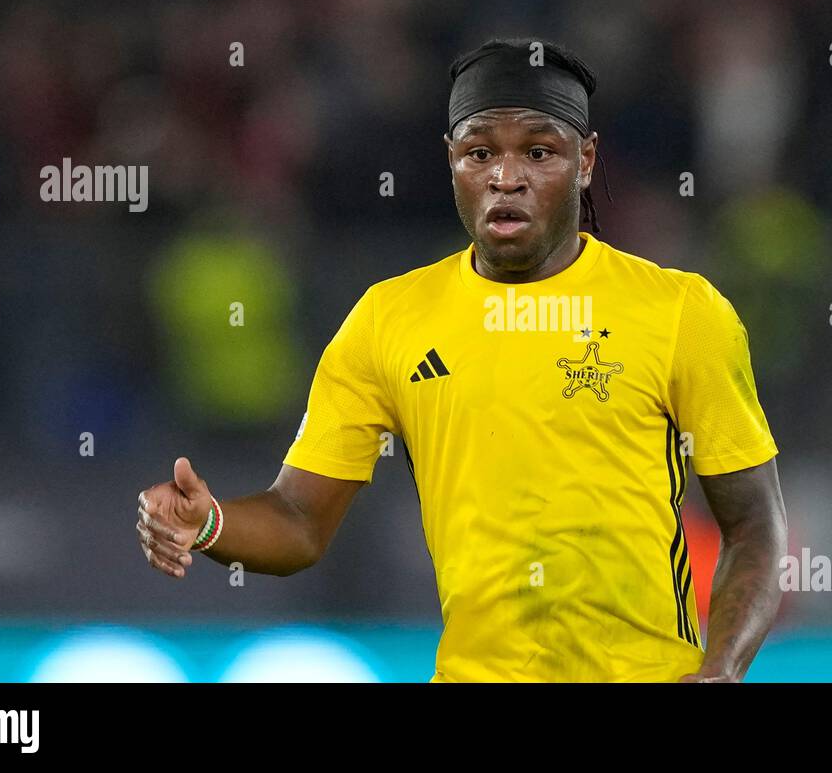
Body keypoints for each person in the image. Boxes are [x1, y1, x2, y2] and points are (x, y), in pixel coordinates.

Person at [136, 37, 787, 682]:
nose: (506, 177)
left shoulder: (680, 312)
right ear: (451, 160)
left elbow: (754, 525)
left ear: (585, 160)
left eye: (539, 151)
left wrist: (721, 670)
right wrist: (211, 522)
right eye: (480, 153)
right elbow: (300, 520)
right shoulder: (389, 320)